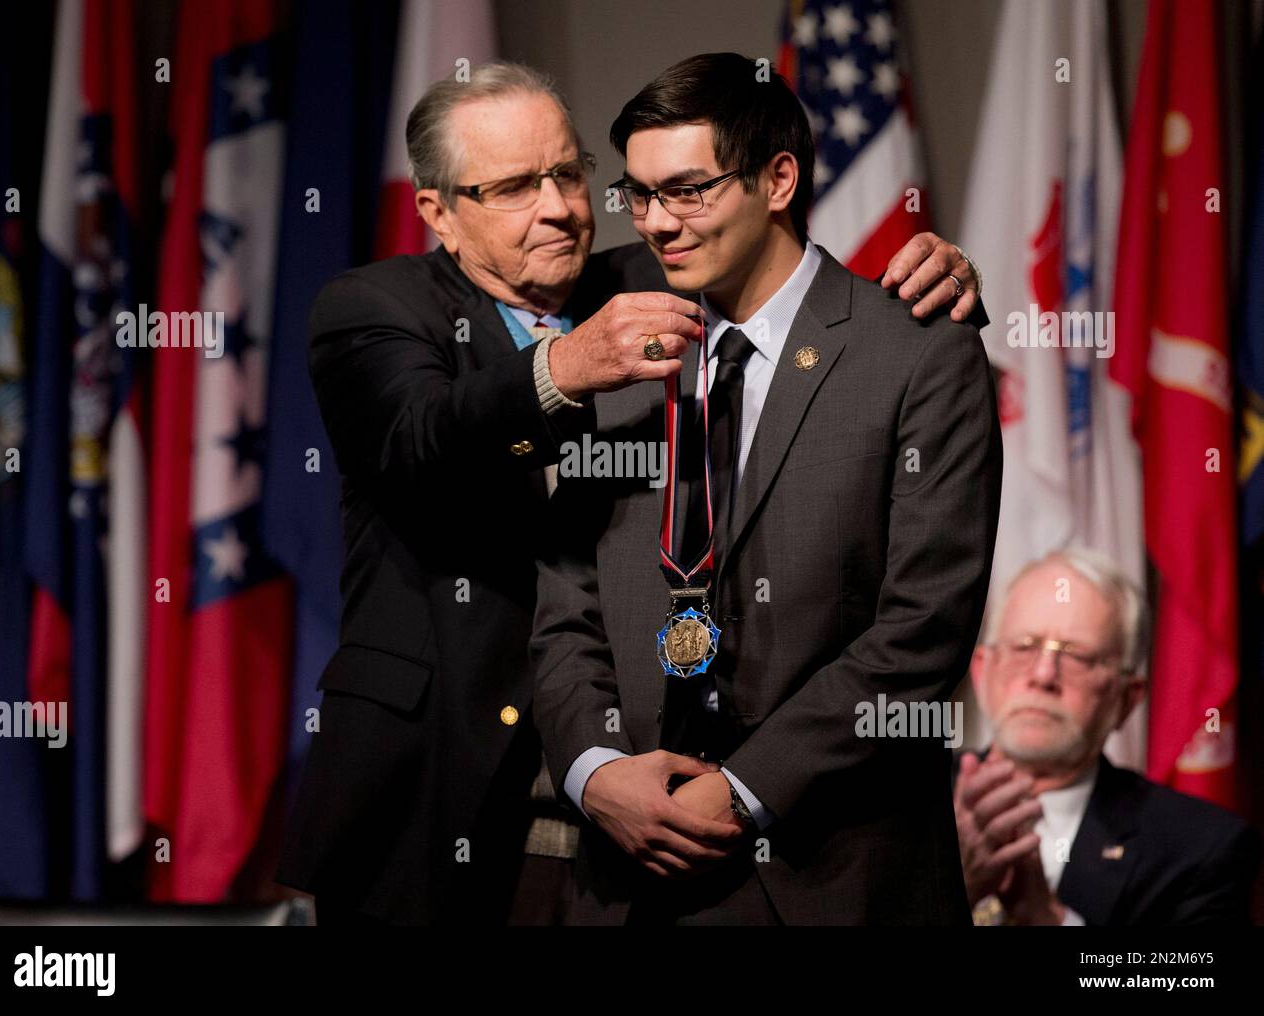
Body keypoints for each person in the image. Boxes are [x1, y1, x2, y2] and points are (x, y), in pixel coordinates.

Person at [276, 59, 984, 925]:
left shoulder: (647, 282)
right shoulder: (373, 307)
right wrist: (567, 366)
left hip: (684, 830)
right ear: (438, 213)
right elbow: (419, 436)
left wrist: (939, 275)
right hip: (437, 795)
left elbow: (796, 287)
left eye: (569, 174)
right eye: (511, 188)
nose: (560, 208)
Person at [530, 52, 1002, 924]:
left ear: (778, 178)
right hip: (625, 876)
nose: (657, 223)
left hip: (836, 878)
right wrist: (598, 775)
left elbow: (922, 632)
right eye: (637, 195)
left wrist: (746, 788)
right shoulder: (619, 343)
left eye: (688, 190)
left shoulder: (919, 351)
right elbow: (567, 600)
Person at [958, 548, 1259, 926]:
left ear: (1126, 699)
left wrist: (1047, 920)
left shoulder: (1203, 849)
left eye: (1077, 656)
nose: (1044, 674)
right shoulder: (894, 799)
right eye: (1025, 646)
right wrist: (950, 890)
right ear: (982, 672)